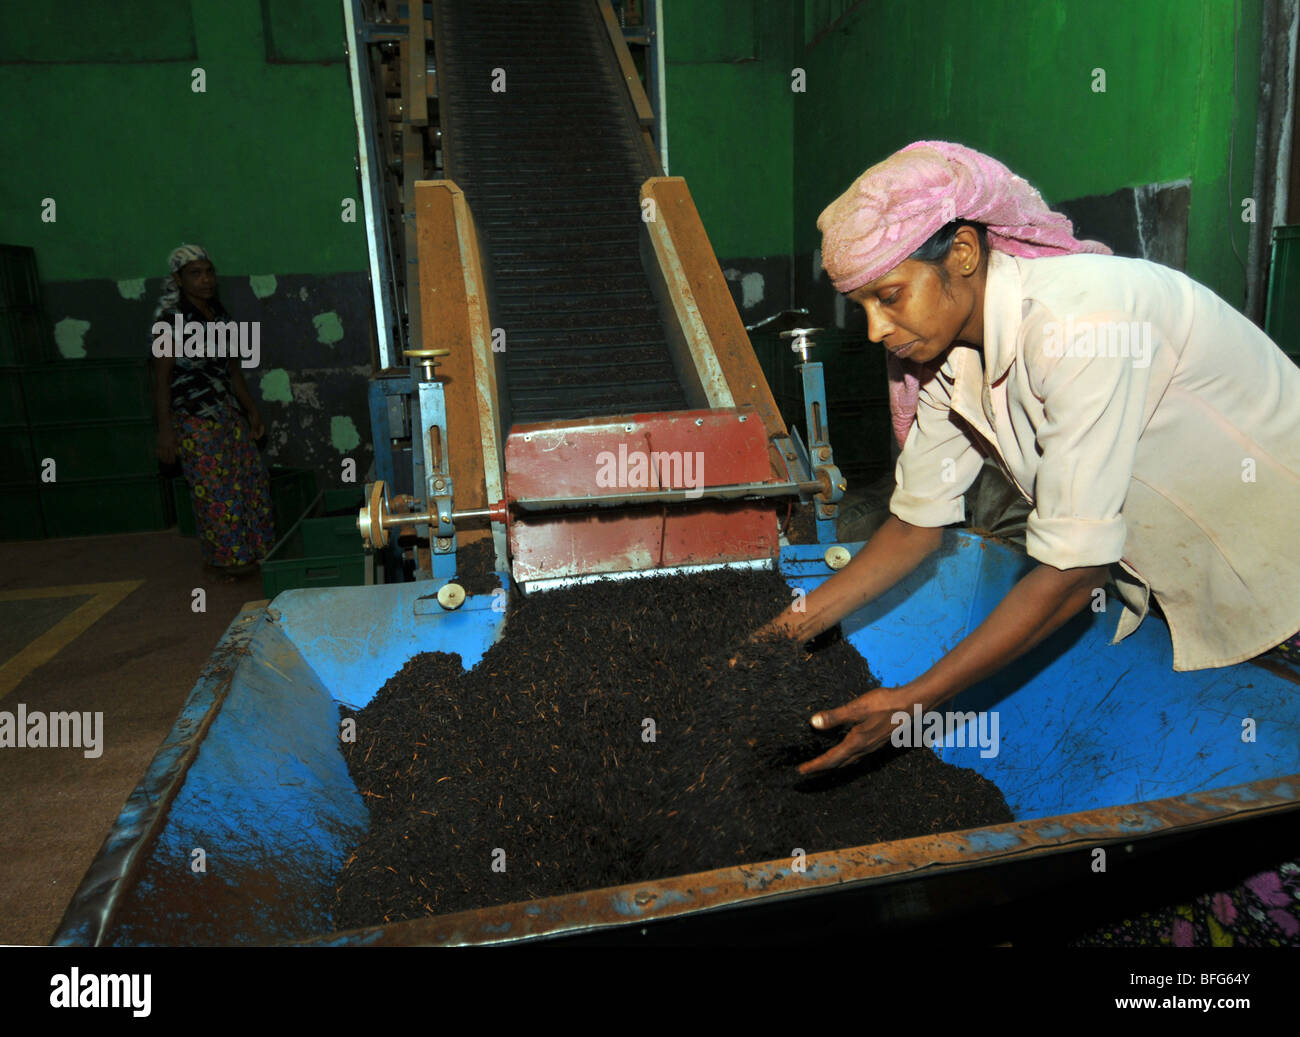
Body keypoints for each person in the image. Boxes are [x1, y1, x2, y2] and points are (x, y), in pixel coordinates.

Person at [758, 141, 1300, 776]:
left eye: (891, 296)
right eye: (863, 308)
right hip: (1196, 570)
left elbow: (1072, 573)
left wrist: (915, 702)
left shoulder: (1082, 326)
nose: (876, 329)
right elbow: (914, 525)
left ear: (961, 253)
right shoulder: (945, 357)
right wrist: (776, 641)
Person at [152, 244, 274, 581]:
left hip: (228, 414)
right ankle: (225, 561)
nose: (205, 279)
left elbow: (233, 371)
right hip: (194, 420)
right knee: (215, 491)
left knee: (250, 483)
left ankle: (257, 551)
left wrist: (252, 412)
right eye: (195, 273)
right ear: (178, 278)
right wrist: (165, 431)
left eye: (209, 272)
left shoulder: (220, 317)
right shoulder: (170, 322)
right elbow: (161, 380)